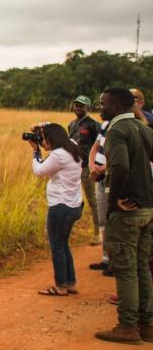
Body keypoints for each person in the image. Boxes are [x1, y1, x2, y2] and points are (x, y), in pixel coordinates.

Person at [94, 88, 153, 345]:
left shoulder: (117, 130)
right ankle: (147, 325)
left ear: (117, 105)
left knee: (126, 269)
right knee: (142, 267)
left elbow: (119, 167)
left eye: (103, 103)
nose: (100, 107)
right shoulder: (144, 129)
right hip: (147, 208)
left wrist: (114, 201)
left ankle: (127, 326)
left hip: (128, 211)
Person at [27, 123, 84, 296]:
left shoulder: (59, 155)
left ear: (52, 138)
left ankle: (60, 286)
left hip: (60, 206)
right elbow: (56, 130)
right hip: (74, 204)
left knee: (57, 246)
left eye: (44, 138)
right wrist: (41, 127)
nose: (42, 141)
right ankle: (69, 283)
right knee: (64, 244)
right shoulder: (72, 146)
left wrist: (35, 151)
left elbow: (39, 170)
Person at [67, 95, 102, 245]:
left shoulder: (94, 125)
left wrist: (96, 165)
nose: (78, 108)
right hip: (73, 166)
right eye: (76, 105)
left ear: (88, 108)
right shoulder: (72, 124)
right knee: (71, 199)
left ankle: (97, 234)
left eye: (81, 106)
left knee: (92, 200)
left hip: (87, 167)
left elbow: (100, 146)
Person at [88, 119, 112, 275]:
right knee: (103, 219)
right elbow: (95, 147)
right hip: (100, 176)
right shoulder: (105, 125)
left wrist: (105, 168)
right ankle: (106, 258)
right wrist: (91, 165)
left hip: (112, 176)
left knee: (114, 220)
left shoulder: (125, 125)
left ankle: (116, 262)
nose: (100, 107)